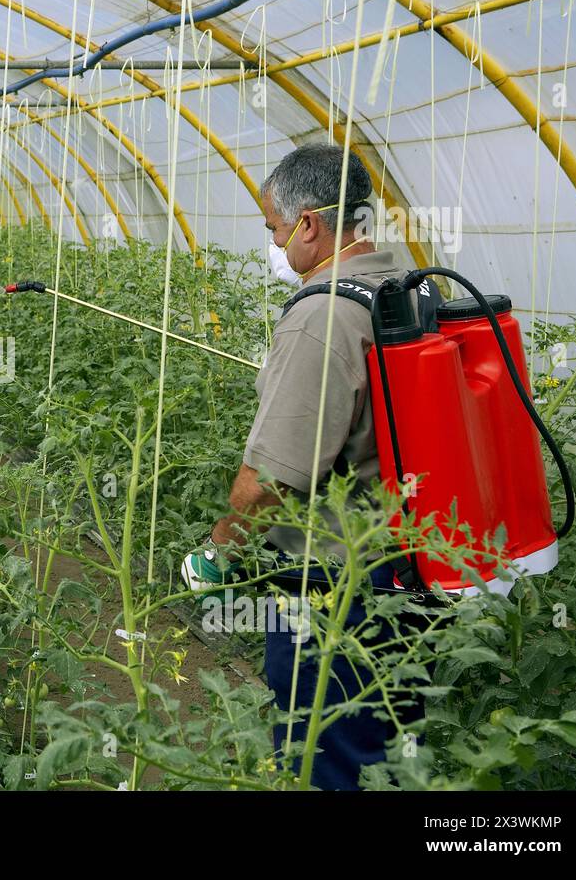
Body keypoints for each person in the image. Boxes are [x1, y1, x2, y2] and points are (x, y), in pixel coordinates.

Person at [183, 142, 437, 790]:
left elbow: (270, 483)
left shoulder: (323, 315)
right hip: (408, 572)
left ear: (308, 225)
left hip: (332, 591)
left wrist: (216, 556)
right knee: (382, 757)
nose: (273, 242)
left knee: (324, 759)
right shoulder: (400, 291)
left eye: (273, 227)